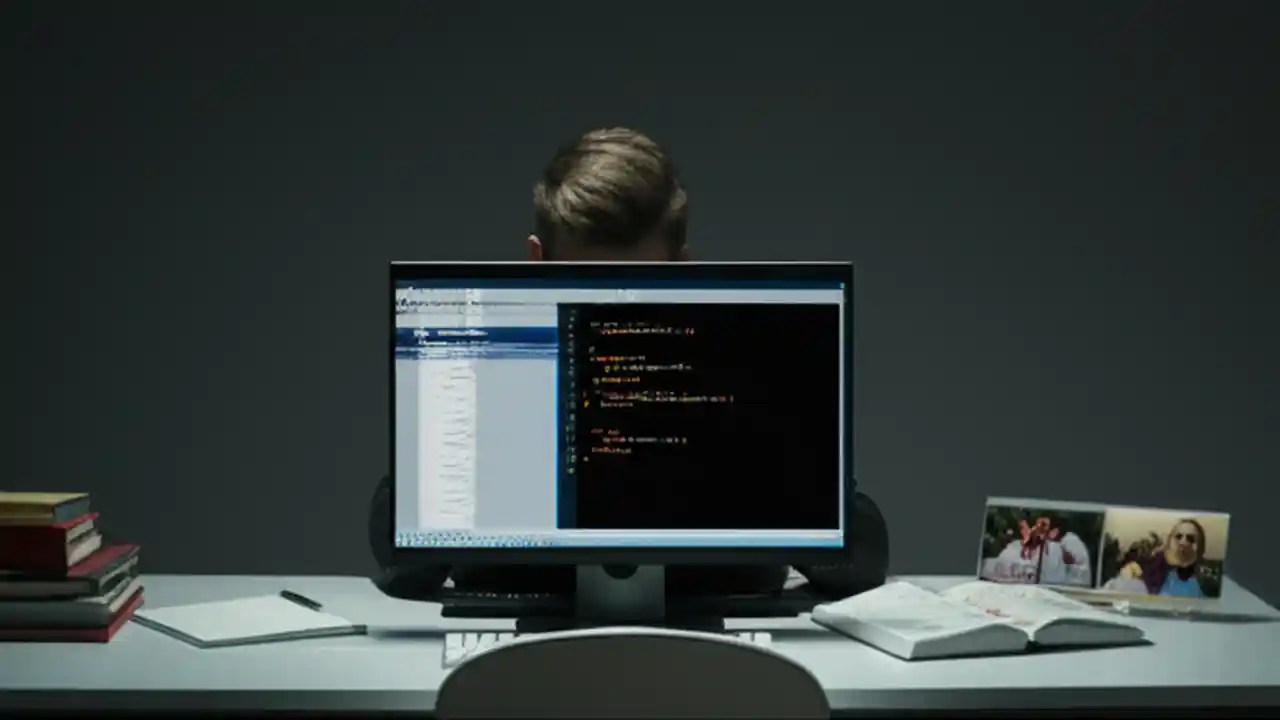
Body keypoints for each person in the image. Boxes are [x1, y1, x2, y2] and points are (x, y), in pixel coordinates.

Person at [370, 127, 889, 601]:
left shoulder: (741, 376)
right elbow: (407, 571)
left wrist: (768, 438)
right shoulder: (486, 373)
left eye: (637, 290)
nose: (609, 316)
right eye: (583, 287)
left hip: (718, 673)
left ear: (683, 270)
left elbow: (859, 569)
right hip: (518, 672)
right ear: (536, 263)